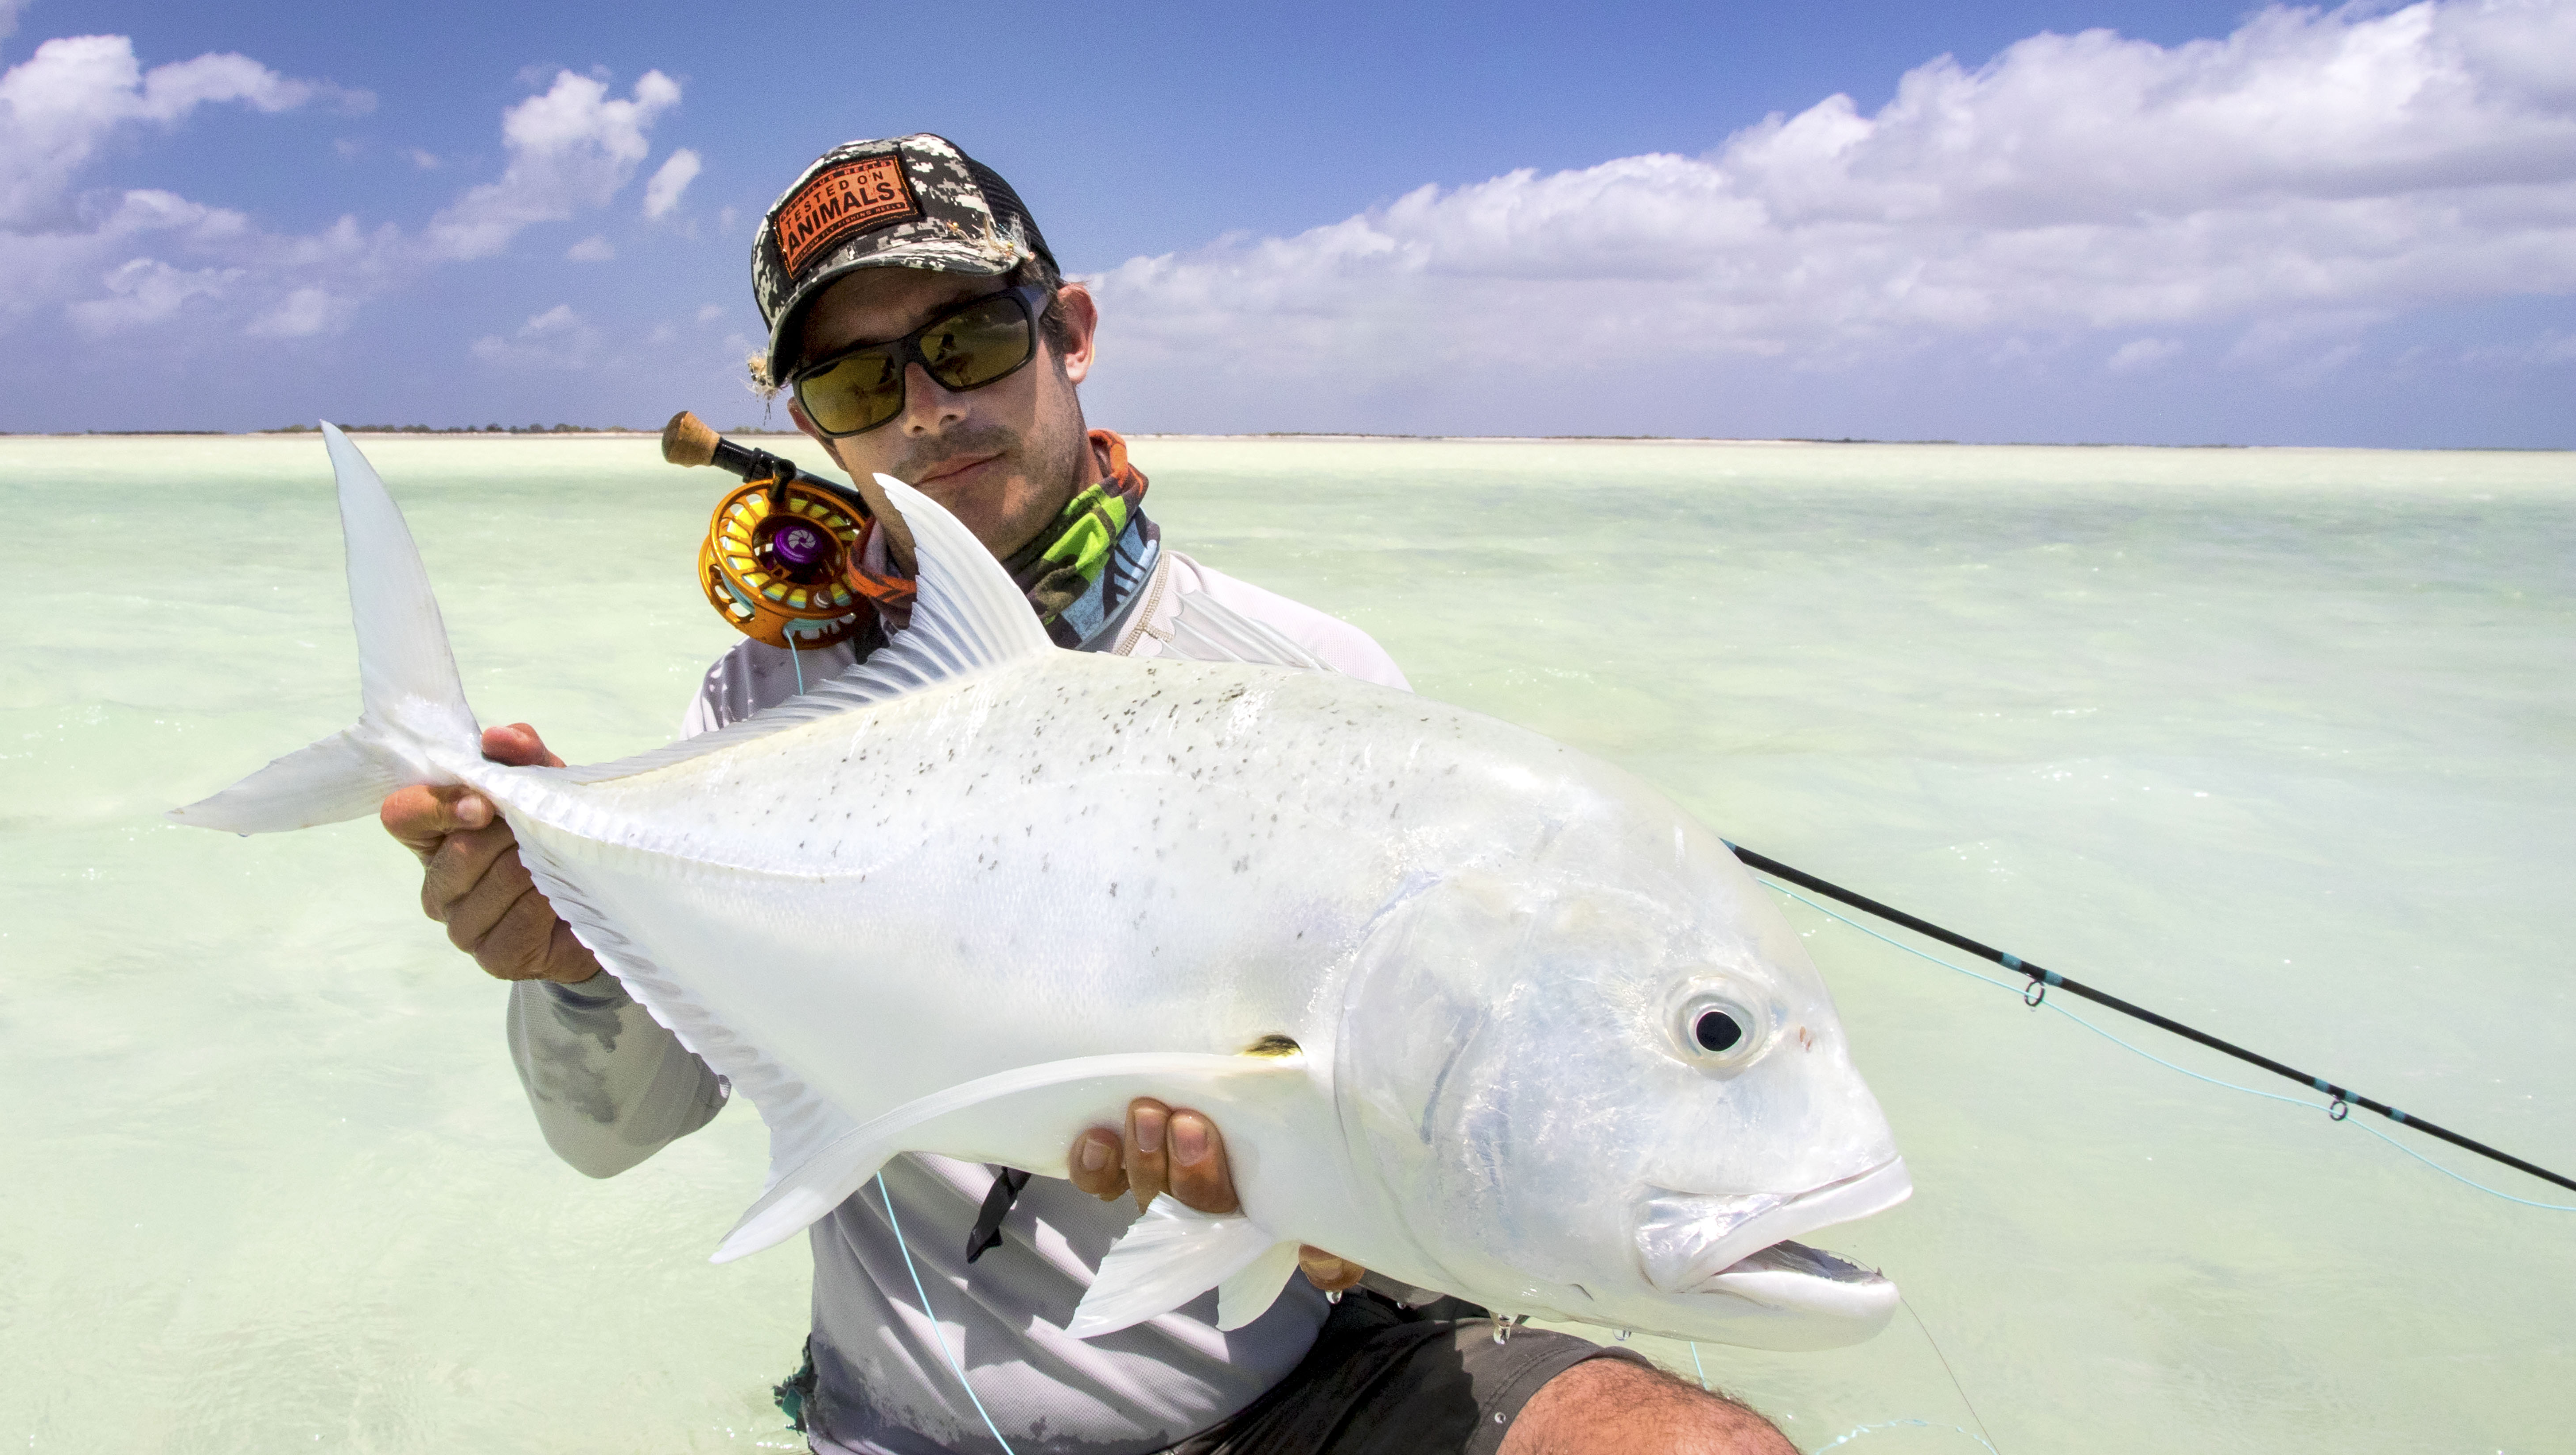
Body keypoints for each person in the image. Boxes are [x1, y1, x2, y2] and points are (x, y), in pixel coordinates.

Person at [379, 135, 1793, 1455]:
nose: (929, 410)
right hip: (904, 1426)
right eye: (859, 386)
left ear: (1072, 332)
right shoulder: (758, 708)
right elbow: (611, 1139)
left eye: (970, 341)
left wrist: (1331, 1219)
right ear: (814, 425)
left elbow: (1418, 1151)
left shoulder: (1317, 683)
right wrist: (574, 967)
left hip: (1305, 1396)